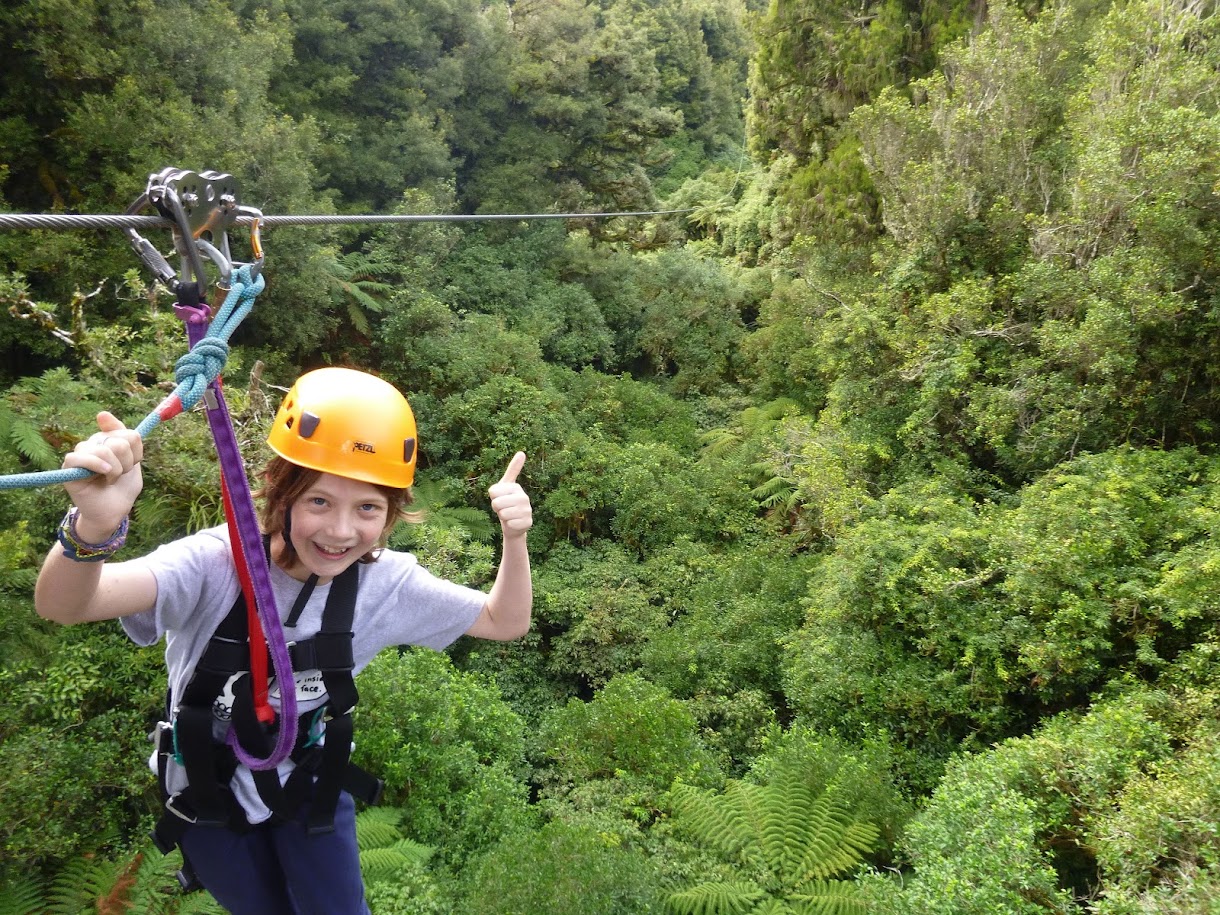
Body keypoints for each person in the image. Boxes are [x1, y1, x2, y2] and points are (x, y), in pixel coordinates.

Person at [33, 366, 533, 915]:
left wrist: (515, 538)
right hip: (206, 792)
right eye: (319, 501)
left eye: (368, 508)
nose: (340, 531)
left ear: (391, 512)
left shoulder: (387, 585)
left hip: (311, 784)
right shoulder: (212, 565)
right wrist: (93, 529)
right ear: (280, 490)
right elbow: (65, 606)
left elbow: (503, 621)